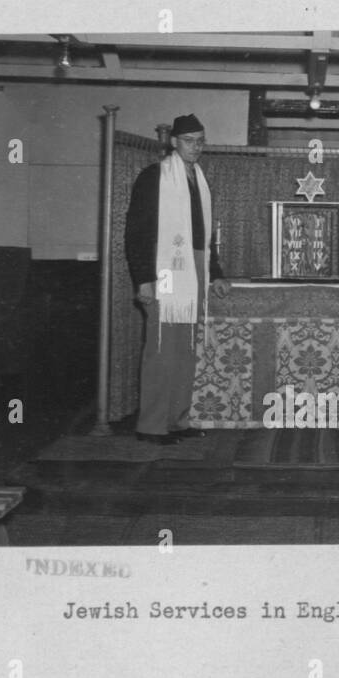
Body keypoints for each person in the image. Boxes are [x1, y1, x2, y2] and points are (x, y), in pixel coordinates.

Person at [124, 114, 231, 445]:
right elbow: (136, 232)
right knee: (161, 345)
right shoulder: (154, 176)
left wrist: (214, 273)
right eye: (189, 141)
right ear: (173, 141)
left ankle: (178, 419)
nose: (196, 147)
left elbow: (205, 235)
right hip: (167, 268)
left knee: (185, 348)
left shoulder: (200, 180)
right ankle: (152, 425)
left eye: (200, 141)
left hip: (194, 267)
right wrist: (143, 279)